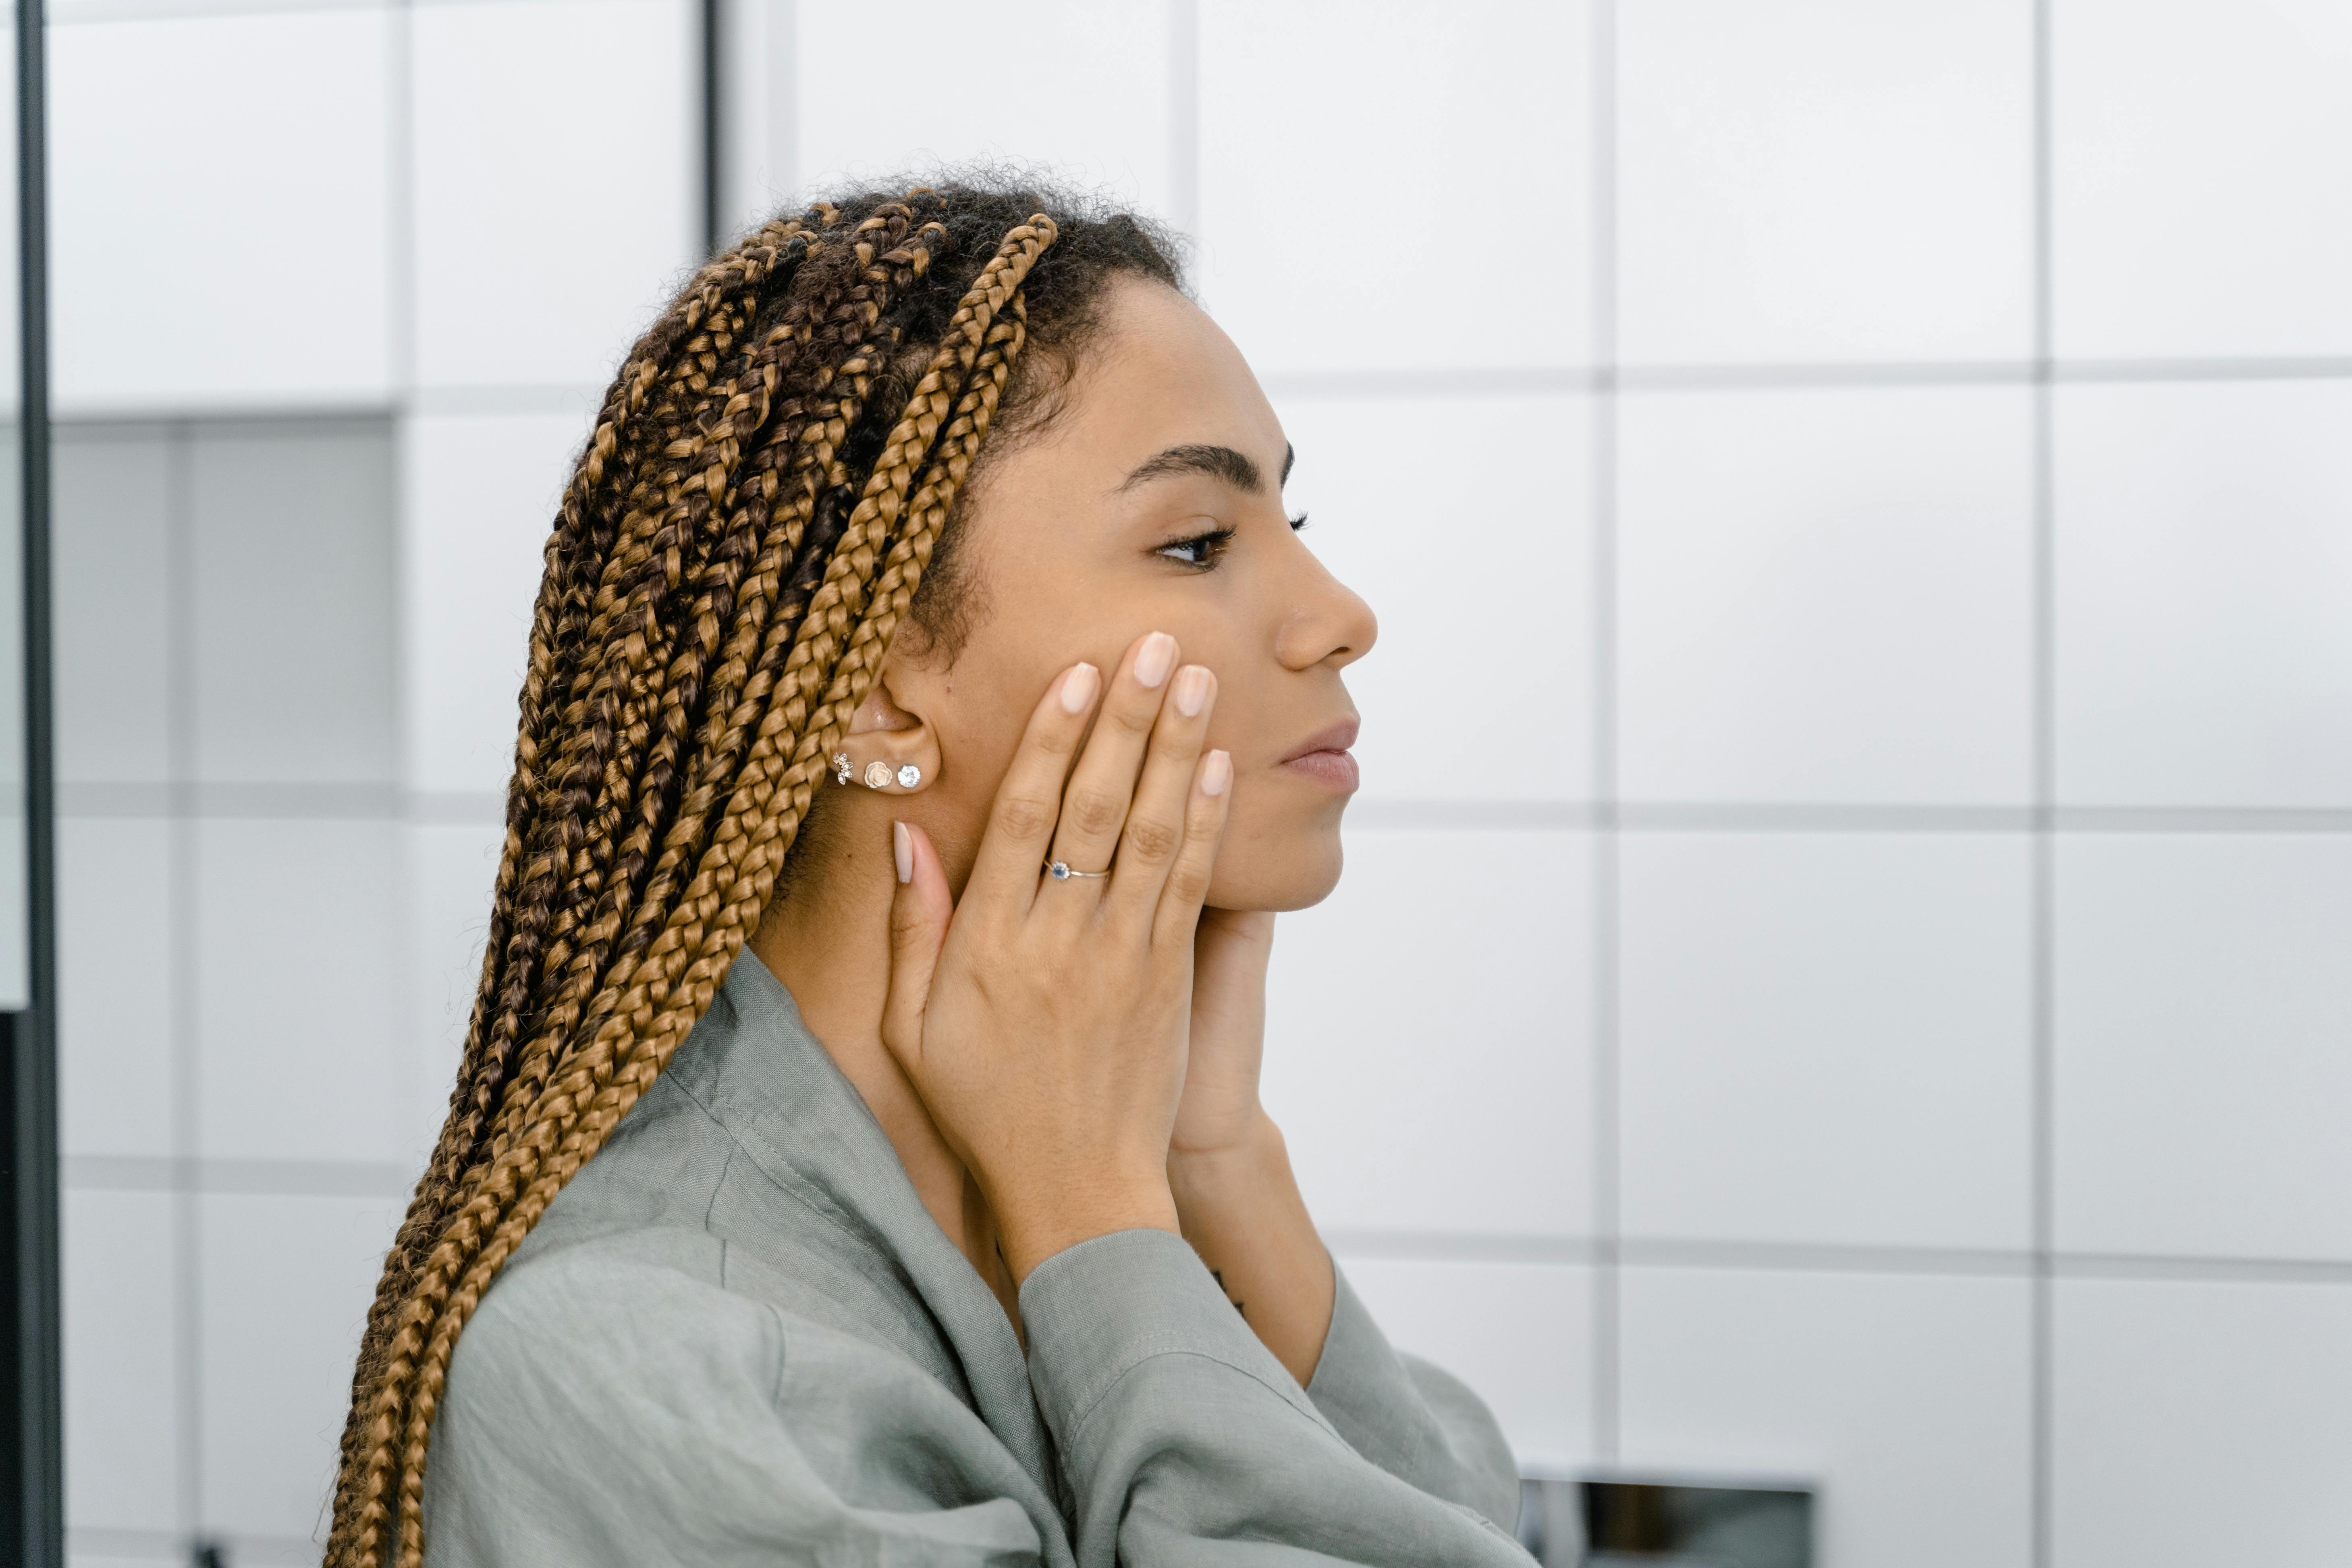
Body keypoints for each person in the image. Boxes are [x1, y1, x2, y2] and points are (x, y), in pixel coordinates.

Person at [328, 179, 1532, 1567]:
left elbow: (1450, 1522)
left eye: (1293, 527)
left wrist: (1220, 1166)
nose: (1340, 618)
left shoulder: (1061, 1208)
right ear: (874, 692)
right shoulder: (665, 1363)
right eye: (1198, 541)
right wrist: (1103, 1218)